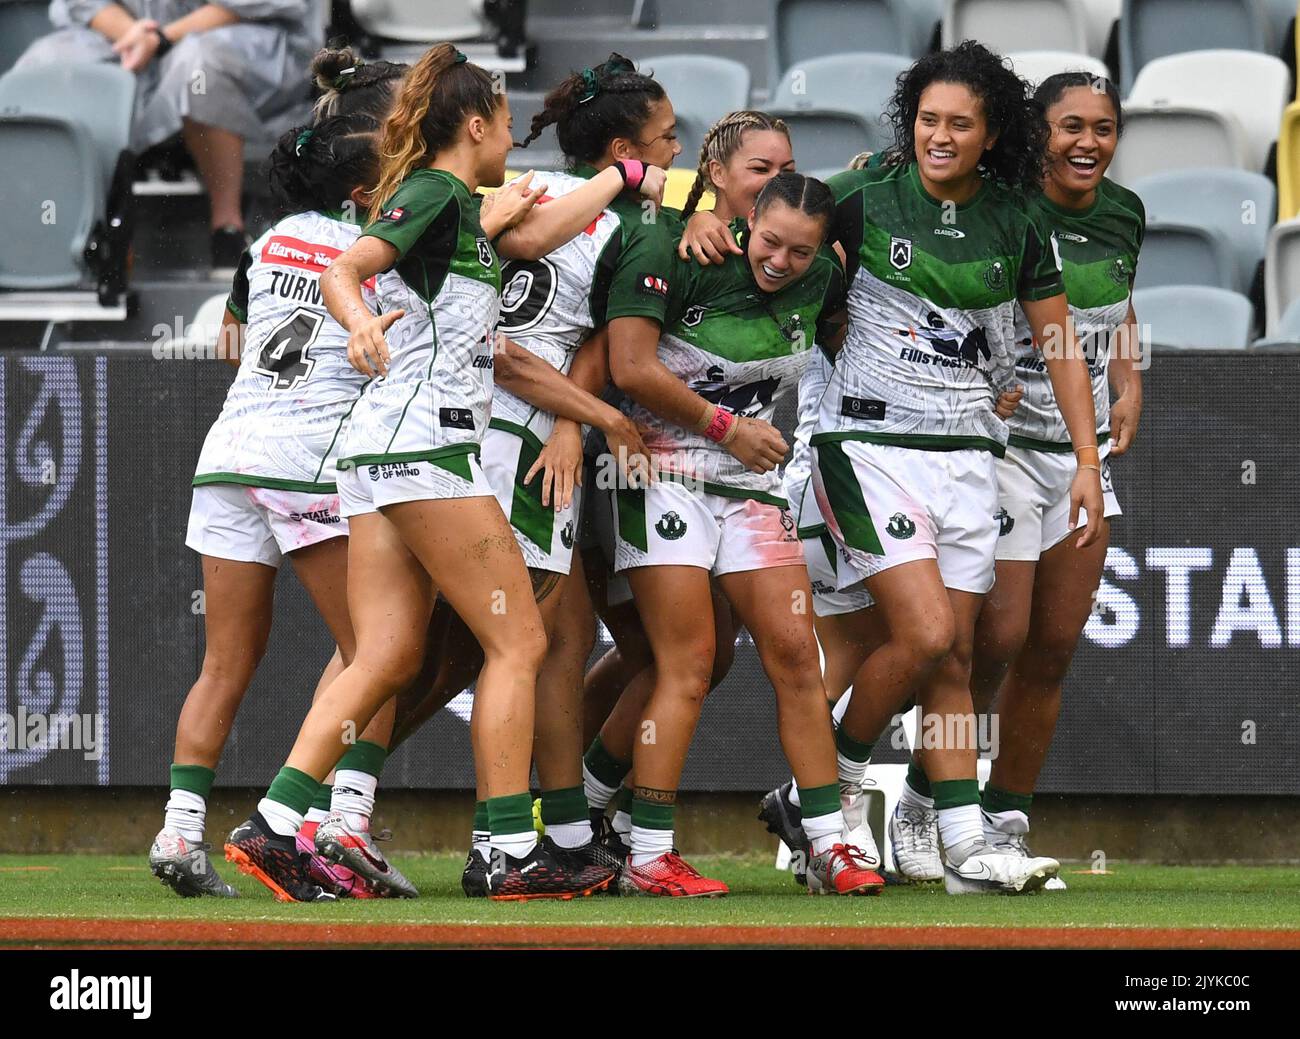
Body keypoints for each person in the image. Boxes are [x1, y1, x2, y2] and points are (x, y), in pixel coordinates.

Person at [222, 43, 643, 903]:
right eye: (503, 124)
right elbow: (348, 268)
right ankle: (501, 848)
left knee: (385, 652)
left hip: (381, 451)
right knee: (521, 639)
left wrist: (624, 177)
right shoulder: (436, 193)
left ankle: (274, 823)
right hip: (425, 447)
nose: (514, 143)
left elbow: (513, 272)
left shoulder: (455, 206)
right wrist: (356, 323)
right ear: (477, 126)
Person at [794, 42, 1103, 895]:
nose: (940, 135)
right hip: (867, 449)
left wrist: (1086, 457)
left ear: (991, 131)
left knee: (955, 659)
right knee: (926, 635)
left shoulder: (1019, 218)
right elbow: (773, 237)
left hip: (970, 457)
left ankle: (967, 848)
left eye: (959, 123)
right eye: (928, 119)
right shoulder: (858, 198)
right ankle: (833, 786)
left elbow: (1059, 342)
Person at [148, 59, 405, 899]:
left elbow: (231, 335)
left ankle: (180, 834)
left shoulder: (264, 243)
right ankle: (334, 827)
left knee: (224, 663)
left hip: (228, 450)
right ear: (368, 190)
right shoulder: (376, 253)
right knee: (378, 651)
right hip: (309, 458)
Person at [607, 171, 884, 897]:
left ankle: (828, 843)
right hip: (662, 472)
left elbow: (838, 337)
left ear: (823, 250)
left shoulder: (824, 280)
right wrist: (726, 427)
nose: (780, 262)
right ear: (747, 218)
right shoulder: (687, 256)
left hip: (751, 483)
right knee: (690, 662)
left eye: (800, 251)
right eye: (770, 242)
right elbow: (627, 369)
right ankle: (647, 855)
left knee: (797, 652)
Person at [580, 109, 798, 854]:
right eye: (758, 170)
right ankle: (560, 819)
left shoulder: (783, 246)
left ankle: (586, 806)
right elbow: (623, 363)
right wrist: (726, 427)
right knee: (653, 655)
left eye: (784, 170)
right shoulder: (662, 225)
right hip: (618, 460)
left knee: (697, 657)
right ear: (715, 175)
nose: (776, 184)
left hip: (705, 478)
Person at [964, 71, 1143, 884]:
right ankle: (934, 807)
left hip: (1082, 454)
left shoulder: (1126, 212)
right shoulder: (1001, 205)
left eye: (1102, 129)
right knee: (994, 637)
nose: (1087, 143)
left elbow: (1118, 307)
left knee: (1053, 646)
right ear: (1038, 133)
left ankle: (1005, 822)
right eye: (1070, 126)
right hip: (999, 448)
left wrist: (1130, 373)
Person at [21, 1, 320, 268]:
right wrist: (137, 34)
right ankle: (75, 234)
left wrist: (162, 38)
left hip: (246, 36)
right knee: (47, 61)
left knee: (199, 65)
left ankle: (227, 228)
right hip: (134, 39)